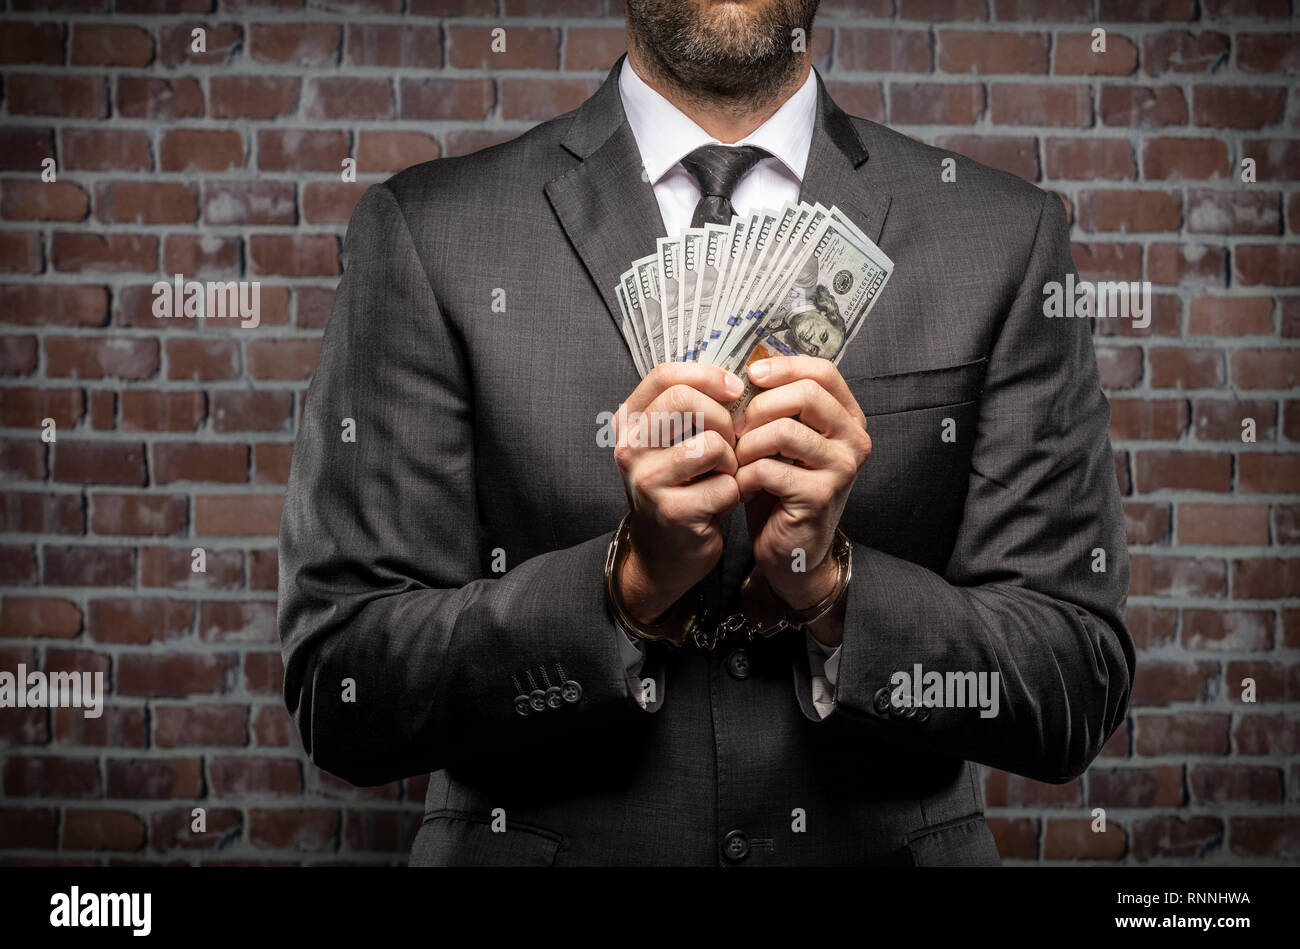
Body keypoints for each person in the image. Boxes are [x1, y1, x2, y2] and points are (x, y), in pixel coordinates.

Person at [277, 0, 1133, 866]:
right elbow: (343, 691)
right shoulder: (431, 230)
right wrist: (626, 590)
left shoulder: (1001, 237)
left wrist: (833, 588)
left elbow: (1072, 681)